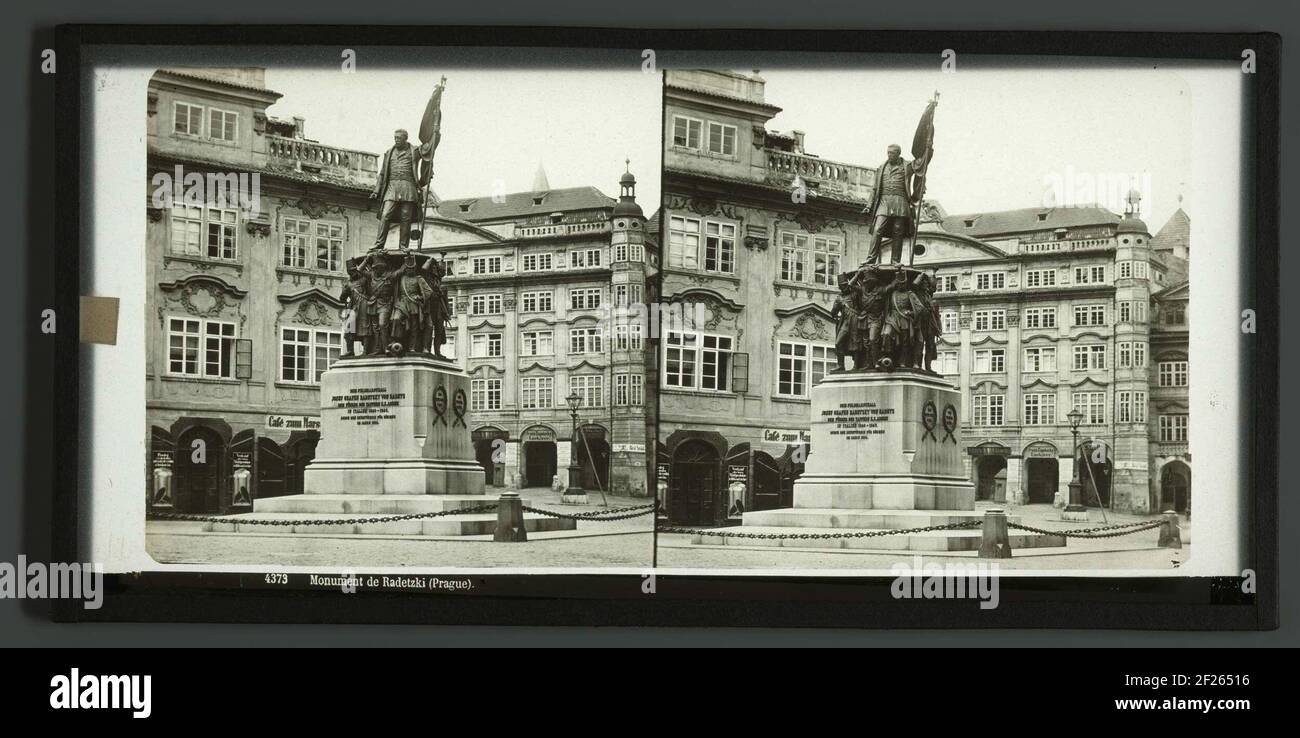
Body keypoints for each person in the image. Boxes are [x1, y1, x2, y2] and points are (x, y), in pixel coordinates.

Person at [864, 144, 929, 265]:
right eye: (888, 153)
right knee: (877, 229)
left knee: (898, 230)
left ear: (898, 154)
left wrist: (928, 149)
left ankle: (895, 260)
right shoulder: (881, 167)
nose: (889, 155)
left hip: (900, 200)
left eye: (892, 153)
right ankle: (870, 259)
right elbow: (874, 189)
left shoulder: (907, 166)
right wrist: (869, 205)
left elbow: (921, 164)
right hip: (884, 201)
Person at [370, 129, 433, 252]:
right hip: (392, 187)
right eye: (395, 138)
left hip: (408, 186)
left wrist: (436, 132)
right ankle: (379, 244)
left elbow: (429, 148)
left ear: (405, 139)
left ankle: (403, 246)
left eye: (399, 138)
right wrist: (376, 191)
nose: (396, 140)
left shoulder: (414, 151)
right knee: (385, 215)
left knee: (406, 217)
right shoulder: (389, 153)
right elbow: (382, 174)